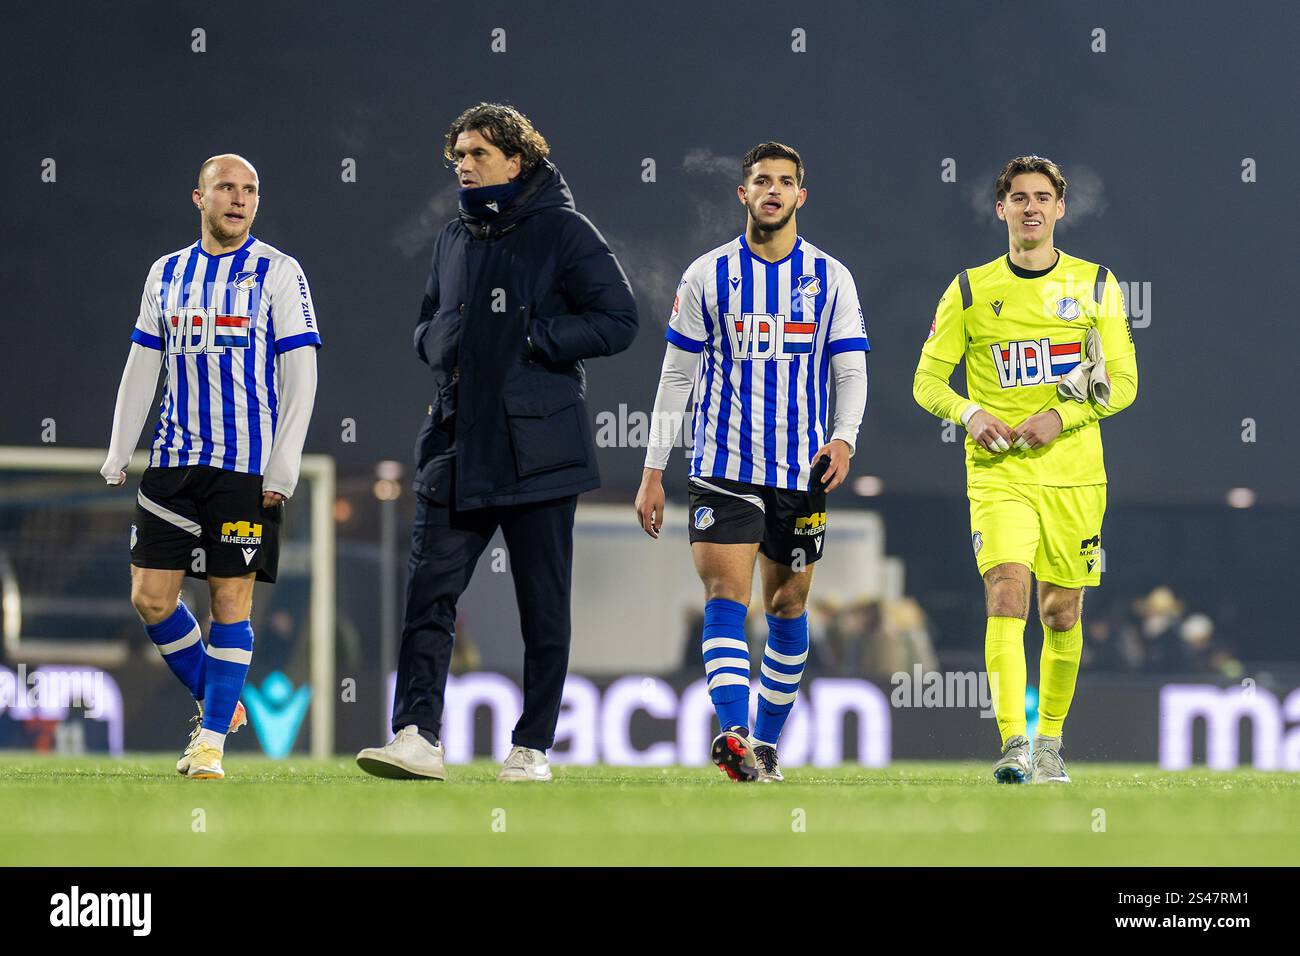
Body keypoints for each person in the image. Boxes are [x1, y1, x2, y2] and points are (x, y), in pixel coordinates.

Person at [356, 103, 637, 783]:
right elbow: (426, 319)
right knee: (428, 595)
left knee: (541, 608)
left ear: (517, 160)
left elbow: (619, 319)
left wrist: (537, 338)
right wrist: (437, 342)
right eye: (458, 153)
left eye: (478, 152)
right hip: (455, 447)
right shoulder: (453, 235)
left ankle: (532, 747)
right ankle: (417, 735)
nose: (464, 163)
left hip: (539, 454)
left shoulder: (565, 231)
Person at [634, 142, 869, 783]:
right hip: (722, 466)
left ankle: (765, 746)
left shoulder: (832, 278)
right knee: (724, 596)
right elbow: (676, 377)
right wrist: (654, 469)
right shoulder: (707, 275)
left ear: (801, 196)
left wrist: (843, 439)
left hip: (802, 471)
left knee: (788, 608)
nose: (772, 191)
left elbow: (851, 368)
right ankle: (733, 734)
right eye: (761, 181)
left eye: (784, 182)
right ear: (743, 194)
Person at [912, 155, 1138, 784]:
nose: (1031, 207)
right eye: (1020, 197)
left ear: (1060, 209)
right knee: (1006, 591)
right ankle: (1014, 742)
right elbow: (927, 380)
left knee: (1061, 612)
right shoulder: (969, 289)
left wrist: (1059, 418)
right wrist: (969, 411)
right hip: (998, 473)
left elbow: (1124, 383)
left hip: (1074, 476)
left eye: (1043, 197)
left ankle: (1049, 745)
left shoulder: (1096, 285)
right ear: (1001, 209)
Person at [101, 154, 321, 779]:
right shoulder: (166, 273)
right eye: (226, 187)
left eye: (250, 189)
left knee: (230, 604)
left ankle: (209, 746)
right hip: (172, 463)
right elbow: (143, 363)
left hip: (245, 470)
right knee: (150, 598)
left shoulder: (278, 272)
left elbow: (300, 373)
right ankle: (218, 700)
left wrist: (283, 466)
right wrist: (121, 449)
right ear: (199, 197)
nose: (239, 198)